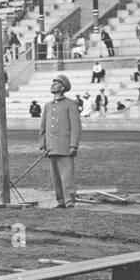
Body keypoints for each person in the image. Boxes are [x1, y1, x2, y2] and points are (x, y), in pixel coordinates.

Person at [39, 74, 81, 208]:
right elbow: (43, 128)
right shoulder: (48, 106)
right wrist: (42, 145)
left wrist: (73, 145)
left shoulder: (70, 104)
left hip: (65, 146)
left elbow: (76, 127)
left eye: (56, 83)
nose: (52, 85)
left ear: (62, 87)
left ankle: (69, 201)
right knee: (55, 177)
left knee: (66, 176)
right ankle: (61, 201)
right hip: (51, 147)